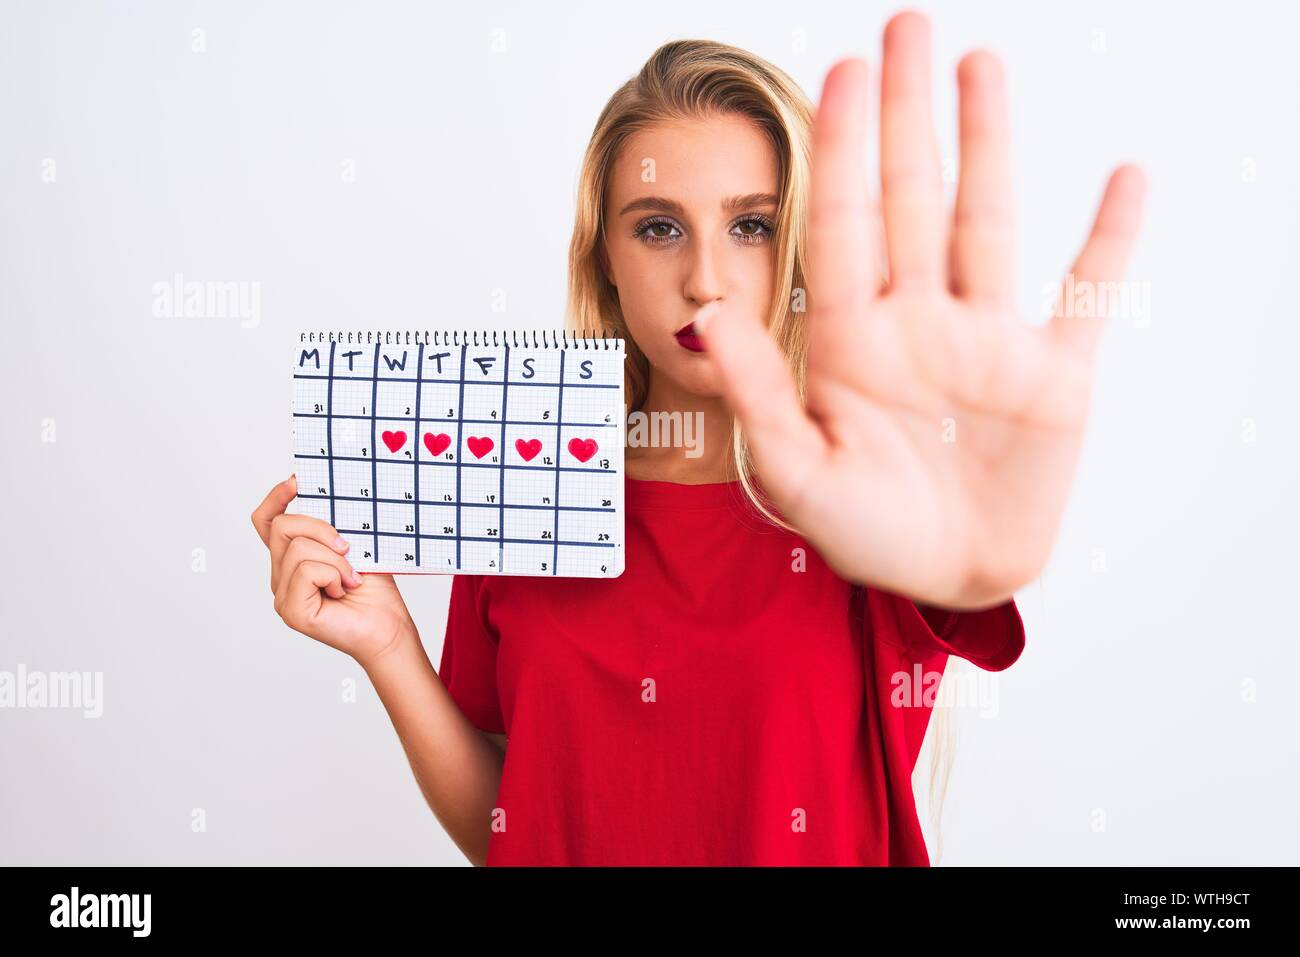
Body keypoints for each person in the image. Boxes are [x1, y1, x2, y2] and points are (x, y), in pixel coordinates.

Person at [251, 10, 1145, 865]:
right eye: (659, 227)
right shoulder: (526, 481)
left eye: (750, 224)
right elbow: (517, 829)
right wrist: (389, 648)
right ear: (604, 251)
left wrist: (965, 539)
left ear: (797, 244)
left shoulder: (869, 499)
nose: (706, 278)